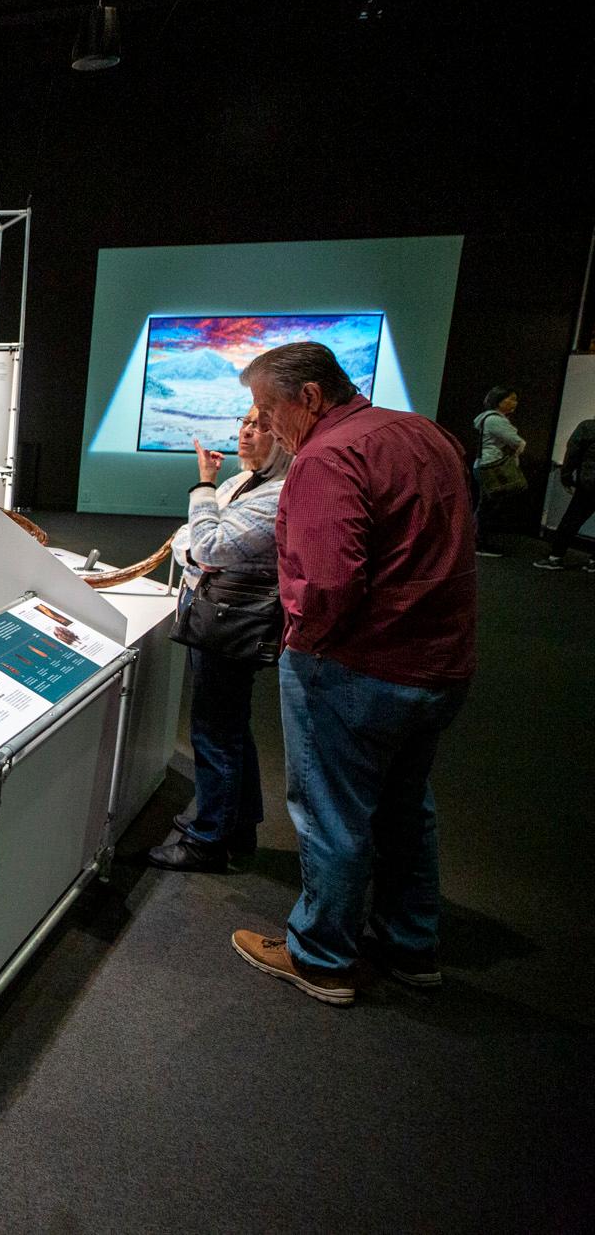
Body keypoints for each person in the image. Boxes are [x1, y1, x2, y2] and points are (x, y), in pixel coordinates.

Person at [231, 342, 476, 1007]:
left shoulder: (325, 456)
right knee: (405, 806)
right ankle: (409, 945)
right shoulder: (425, 433)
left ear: (309, 396)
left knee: (332, 813)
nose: (266, 424)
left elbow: (327, 584)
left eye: (267, 408)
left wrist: (301, 643)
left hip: (355, 668)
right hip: (439, 665)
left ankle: (323, 956)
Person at [148, 407, 291, 873]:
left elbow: (206, 546)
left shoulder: (274, 494)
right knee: (228, 726)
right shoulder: (241, 483)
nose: (247, 432)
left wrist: (204, 487)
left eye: (260, 425)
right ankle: (238, 824)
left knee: (214, 732)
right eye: (245, 423)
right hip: (220, 615)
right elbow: (185, 539)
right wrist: (203, 527)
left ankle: (208, 840)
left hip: (230, 624)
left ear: (285, 435)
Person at [534, 414, 595, 570]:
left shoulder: (588, 427)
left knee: (572, 519)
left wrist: (566, 477)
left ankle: (556, 557)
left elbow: (573, 452)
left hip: (590, 483)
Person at [471, 385, 526, 557]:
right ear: (498, 400)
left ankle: (477, 540)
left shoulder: (486, 418)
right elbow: (517, 442)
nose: (513, 402)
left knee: (484, 505)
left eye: (515, 399)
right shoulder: (496, 420)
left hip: (484, 464)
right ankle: (479, 543)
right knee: (488, 507)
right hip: (494, 466)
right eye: (509, 398)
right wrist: (520, 445)